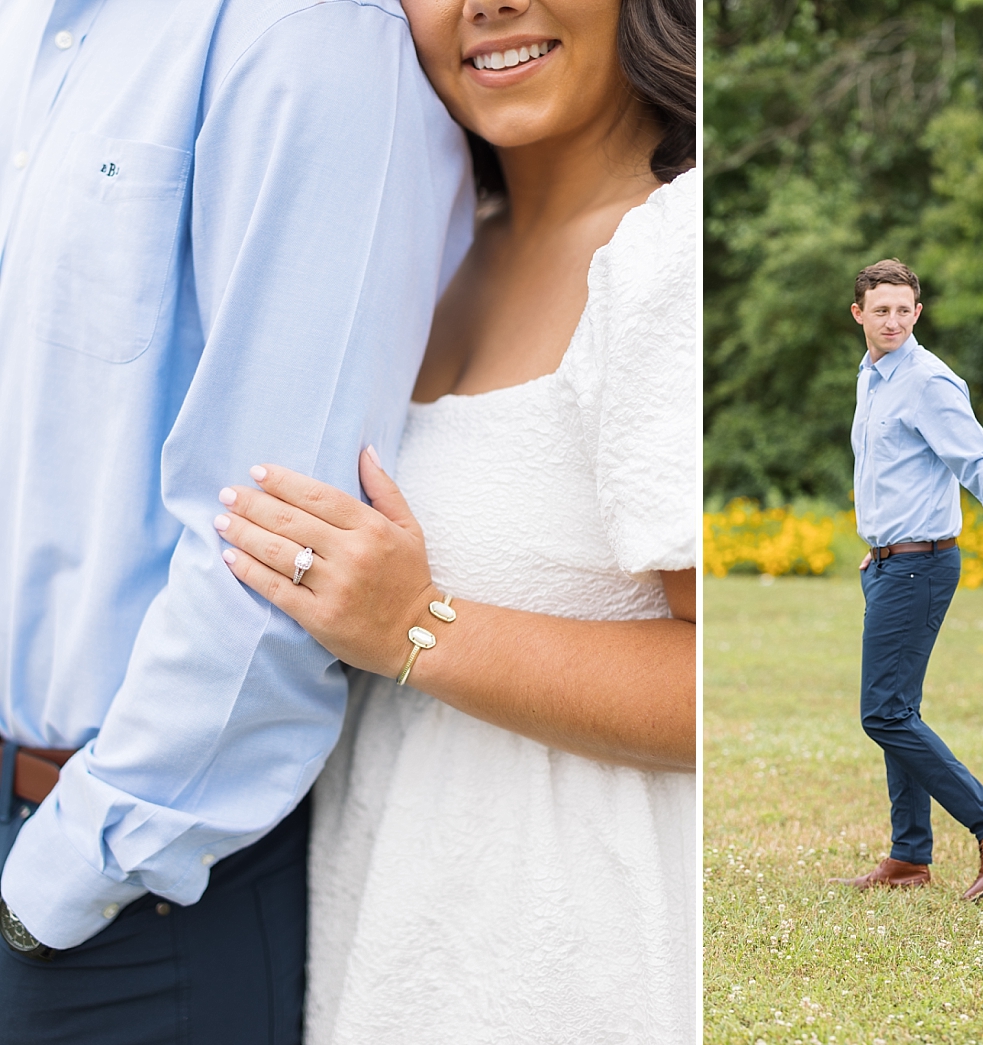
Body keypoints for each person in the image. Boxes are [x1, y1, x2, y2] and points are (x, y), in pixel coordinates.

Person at [214, 0, 696, 1039]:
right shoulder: (431, 245)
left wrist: (413, 627)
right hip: (392, 932)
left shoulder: (670, 253)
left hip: (576, 964)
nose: (486, 4)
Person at [0, 0, 471, 1039]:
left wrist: (73, 871)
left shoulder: (315, 31)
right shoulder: (33, 31)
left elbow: (280, 534)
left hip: (130, 886)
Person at [832, 259, 983, 901]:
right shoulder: (871, 377)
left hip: (920, 566)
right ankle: (909, 857)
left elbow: (980, 462)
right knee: (899, 709)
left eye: (904, 310)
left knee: (883, 714)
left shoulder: (928, 381)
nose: (893, 321)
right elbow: (887, 472)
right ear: (859, 314)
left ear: (918, 313)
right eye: (881, 310)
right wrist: (878, 543)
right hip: (888, 562)